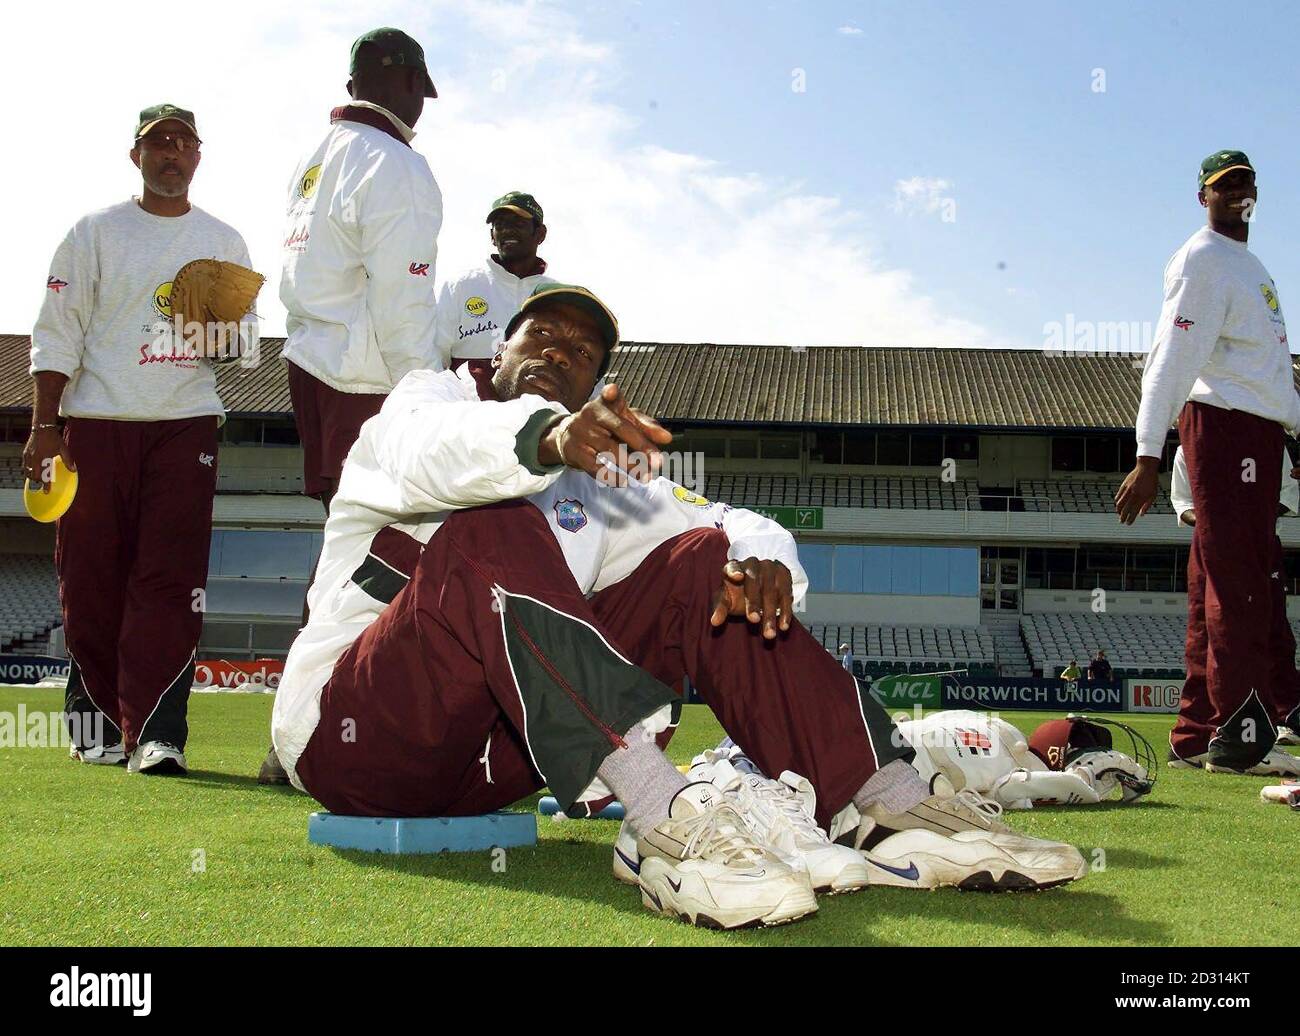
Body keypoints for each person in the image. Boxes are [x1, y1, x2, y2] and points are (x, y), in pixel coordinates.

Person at [271, 282, 1085, 930]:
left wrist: (765, 561)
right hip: (358, 743)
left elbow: (722, 522)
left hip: (496, 770)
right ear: (499, 351)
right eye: (542, 335)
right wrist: (548, 439)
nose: (560, 351)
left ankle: (885, 806)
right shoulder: (426, 403)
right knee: (491, 527)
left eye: (582, 351)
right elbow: (430, 456)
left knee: (707, 562)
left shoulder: (605, 482)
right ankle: (664, 820)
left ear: (600, 383)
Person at [27, 103, 258, 774]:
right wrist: (46, 425)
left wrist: (212, 324)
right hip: (96, 422)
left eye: (184, 142)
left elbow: (241, 352)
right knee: (90, 576)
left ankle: (159, 735)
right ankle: (92, 727)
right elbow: (57, 328)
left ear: (198, 156)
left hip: (184, 424)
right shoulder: (93, 231)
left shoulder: (224, 241)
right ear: (137, 155)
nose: (171, 153)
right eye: (159, 142)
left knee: (171, 581)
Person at [265, 26, 443, 783]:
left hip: (314, 368)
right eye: (419, 89)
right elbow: (404, 300)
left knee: (346, 553)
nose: (423, 107)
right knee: (380, 560)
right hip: (373, 383)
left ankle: (302, 733)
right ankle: (314, 733)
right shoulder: (397, 164)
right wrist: (430, 396)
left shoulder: (313, 159)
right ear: (395, 77)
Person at [1116, 150, 1300, 775]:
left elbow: (1266, 371)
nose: (1238, 192)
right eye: (1224, 185)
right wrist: (1147, 453)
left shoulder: (1249, 265)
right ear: (1204, 196)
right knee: (1239, 581)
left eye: (1246, 182)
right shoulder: (1204, 258)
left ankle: (1198, 732)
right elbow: (1171, 356)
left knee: (1216, 582)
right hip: (1228, 429)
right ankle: (1241, 731)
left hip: (1256, 430)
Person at [1170, 445, 1300, 768]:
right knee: (1207, 637)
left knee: (1268, 634)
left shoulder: (1269, 440)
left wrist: (1246, 522)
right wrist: (1217, 525)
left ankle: (1266, 723)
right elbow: (1182, 504)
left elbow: (1287, 496)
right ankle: (1232, 738)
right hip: (1210, 545)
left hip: (1260, 544)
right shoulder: (1189, 446)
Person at [434, 192, 555, 368]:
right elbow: (435, 356)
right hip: (465, 396)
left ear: (540, 234)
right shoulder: (460, 286)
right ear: (492, 235)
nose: (507, 230)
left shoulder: (555, 295)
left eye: (518, 224)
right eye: (500, 225)